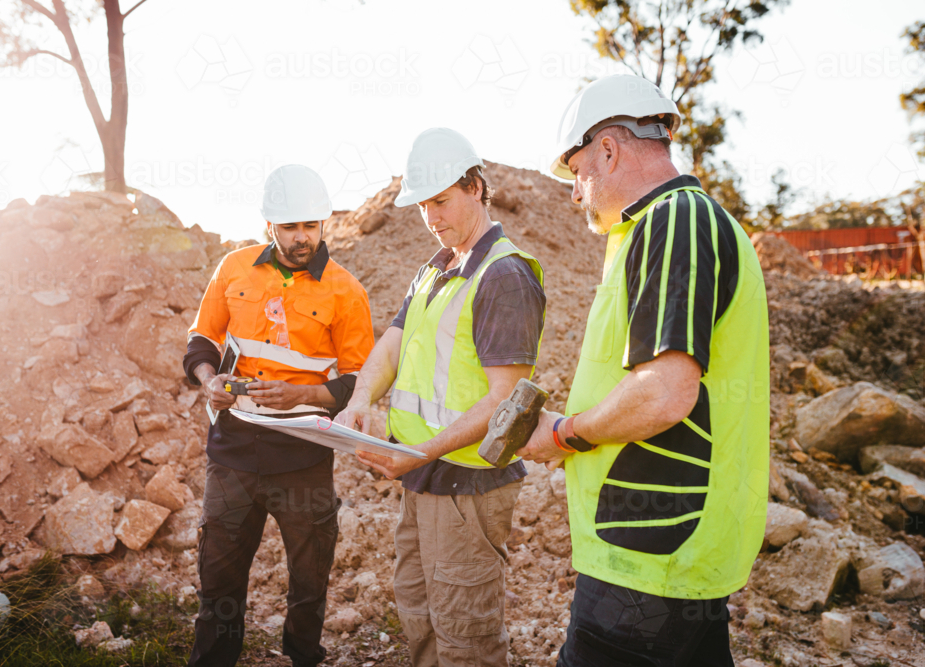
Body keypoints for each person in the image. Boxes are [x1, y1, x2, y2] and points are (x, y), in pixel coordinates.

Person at [516, 74, 770, 667]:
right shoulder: (670, 226)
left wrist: (562, 434)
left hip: (650, 546)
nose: (575, 193)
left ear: (608, 149)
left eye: (576, 171)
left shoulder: (675, 220)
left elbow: (663, 393)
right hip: (671, 544)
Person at [335, 127, 546, 667]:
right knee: (421, 615)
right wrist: (360, 398)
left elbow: (504, 402)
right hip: (422, 478)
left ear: (476, 187)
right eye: (423, 204)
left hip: (468, 487)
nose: (431, 216)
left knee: (466, 637)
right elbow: (391, 346)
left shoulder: (505, 276)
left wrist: (419, 453)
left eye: (441, 200)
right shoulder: (435, 268)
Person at [183, 164, 374, 667]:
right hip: (233, 455)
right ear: (270, 225)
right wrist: (209, 380)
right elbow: (200, 341)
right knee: (219, 585)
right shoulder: (233, 269)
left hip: (304, 460)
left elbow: (359, 383)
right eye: (290, 227)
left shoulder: (346, 291)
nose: (301, 237)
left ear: (323, 223)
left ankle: (303, 656)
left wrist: (300, 395)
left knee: (309, 585)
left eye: (310, 226)